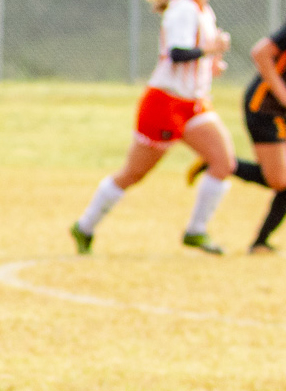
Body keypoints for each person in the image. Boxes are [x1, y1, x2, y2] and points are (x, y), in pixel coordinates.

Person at [71, 0, 233, 255]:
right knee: (134, 173)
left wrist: (212, 64)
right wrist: (209, 49)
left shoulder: (205, 10)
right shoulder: (183, 8)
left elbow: (197, 55)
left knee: (224, 163)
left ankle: (195, 231)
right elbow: (177, 53)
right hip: (165, 102)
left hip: (194, 103)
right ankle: (85, 226)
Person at [191, 10, 286, 252]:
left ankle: (260, 243)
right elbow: (260, 52)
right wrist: (283, 93)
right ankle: (220, 164)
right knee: (279, 180)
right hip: (263, 104)